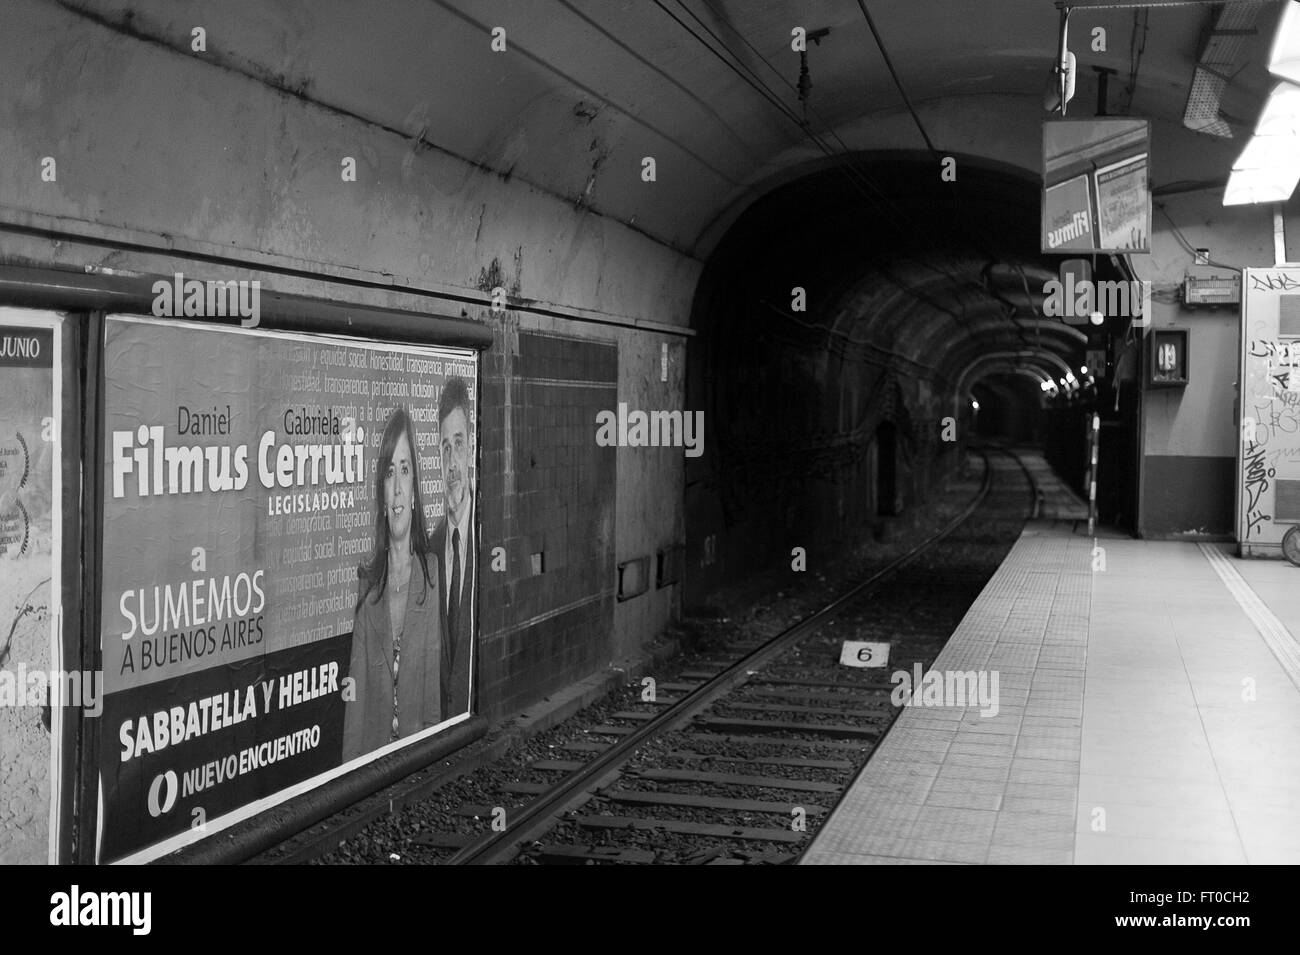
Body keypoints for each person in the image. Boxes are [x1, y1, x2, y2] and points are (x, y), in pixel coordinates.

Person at [342, 406, 443, 763]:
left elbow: (432, 699)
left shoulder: (430, 575)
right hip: (372, 767)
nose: (398, 488)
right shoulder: (368, 586)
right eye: (389, 473)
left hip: (414, 765)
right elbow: (355, 706)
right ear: (382, 494)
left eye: (405, 470)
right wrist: (347, 781)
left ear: (415, 488)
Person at [430, 376, 474, 720]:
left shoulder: (486, 537)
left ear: (471, 447)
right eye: (444, 447)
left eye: (458, 443)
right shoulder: (431, 548)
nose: (451, 462)